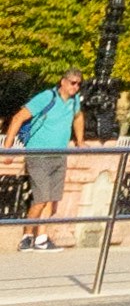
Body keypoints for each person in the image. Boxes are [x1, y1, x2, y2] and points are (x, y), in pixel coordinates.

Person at [8, 76, 82, 250]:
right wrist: (8, 148)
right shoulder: (47, 97)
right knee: (41, 199)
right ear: (63, 81)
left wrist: (80, 140)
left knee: (51, 200)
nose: (76, 87)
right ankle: (26, 237)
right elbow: (18, 117)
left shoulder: (74, 101)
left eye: (79, 84)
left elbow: (78, 117)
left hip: (59, 155)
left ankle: (41, 239)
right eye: (73, 83)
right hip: (38, 155)